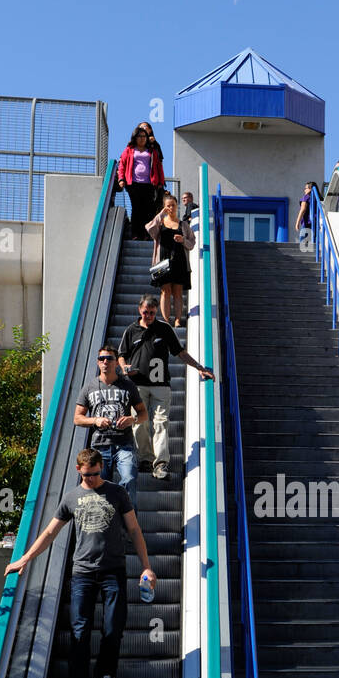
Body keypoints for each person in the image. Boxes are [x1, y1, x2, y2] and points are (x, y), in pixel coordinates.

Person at [5, 447, 157, 678]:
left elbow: (134, 530)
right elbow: (51, 531)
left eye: (97, 474)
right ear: (79, 470)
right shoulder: (71, 497)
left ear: (102, 468)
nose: (93, 479)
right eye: (88, 475)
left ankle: (105, 673)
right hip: (83, 573)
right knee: (78, 635)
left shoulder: (117, 493)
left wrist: (146, 566)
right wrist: (25, 558)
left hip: (113, 570)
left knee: (113, 625)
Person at [118, 294, 216, 480]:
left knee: (161, 423)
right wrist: (124, 367)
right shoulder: (131, 330)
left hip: (161, 385)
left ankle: (161, 463)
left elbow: (180, 352)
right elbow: (122, 354)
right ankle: (145, 458)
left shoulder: (164, 329)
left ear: (156, 313)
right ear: (140, 310)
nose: (148, 316)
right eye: (145, 312)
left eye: (152, 313)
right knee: (139, 424)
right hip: (138, 385)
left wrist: (199, 368)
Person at [74, 345, 147, 507]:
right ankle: (109, 525)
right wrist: (95, 420)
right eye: (101, 359)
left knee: (129, 479)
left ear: (116, 363)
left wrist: (131, 420)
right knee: (100, 489)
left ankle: (128, 525)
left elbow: (143, 414)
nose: (105, 361)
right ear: (97, 362)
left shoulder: (128, 385)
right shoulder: (89, 387)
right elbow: (77, 418)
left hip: (125, 445)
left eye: (109, 358)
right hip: (99, 446)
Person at [147, 194, 196, 327]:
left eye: (173, 205)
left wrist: (183, 240)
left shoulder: (184, 225)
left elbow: (192, 243)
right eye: (168, 205)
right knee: (165, 291)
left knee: (178, 292)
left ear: (177, 206)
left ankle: (178, 320)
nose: (171, 208)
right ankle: (166, 320)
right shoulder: (160, 223)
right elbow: (149, 228)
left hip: (179, 261)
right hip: (162, 261)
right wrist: (160, 214)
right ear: (164, 207)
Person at [117, 125, 165, 239]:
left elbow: (158, 167)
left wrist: (160, 181)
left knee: (148, 209)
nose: (142, 138)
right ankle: (135, 234)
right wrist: (121, 179)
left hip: (149, 184)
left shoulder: (152, 151)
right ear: (135, 137)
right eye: (139, 136)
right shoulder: (129, 150)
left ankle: (146, 234)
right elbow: (122, 165)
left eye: (144, 136)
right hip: (133, 183)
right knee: (136, 208)